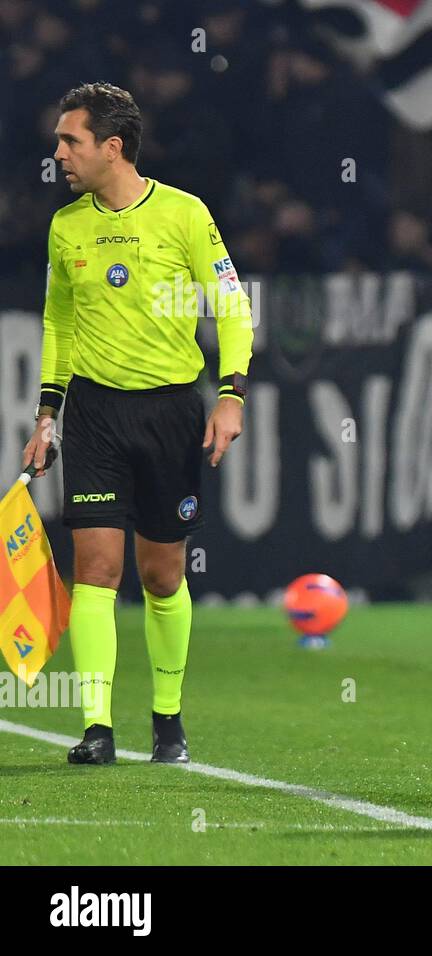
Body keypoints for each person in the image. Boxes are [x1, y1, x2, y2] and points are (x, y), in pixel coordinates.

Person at [21, 83, 253, 765]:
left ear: (112, 147)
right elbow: (58, 321)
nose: (59, 153)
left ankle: (168, 720)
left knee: (159, 577)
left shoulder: (184, 215)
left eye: (71, 141)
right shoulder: (68, 227)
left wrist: (232, 394)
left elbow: (232, 307)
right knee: (94, 568)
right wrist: (47, 414)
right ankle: (96, 726)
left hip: (170, 413)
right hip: (93, 414)